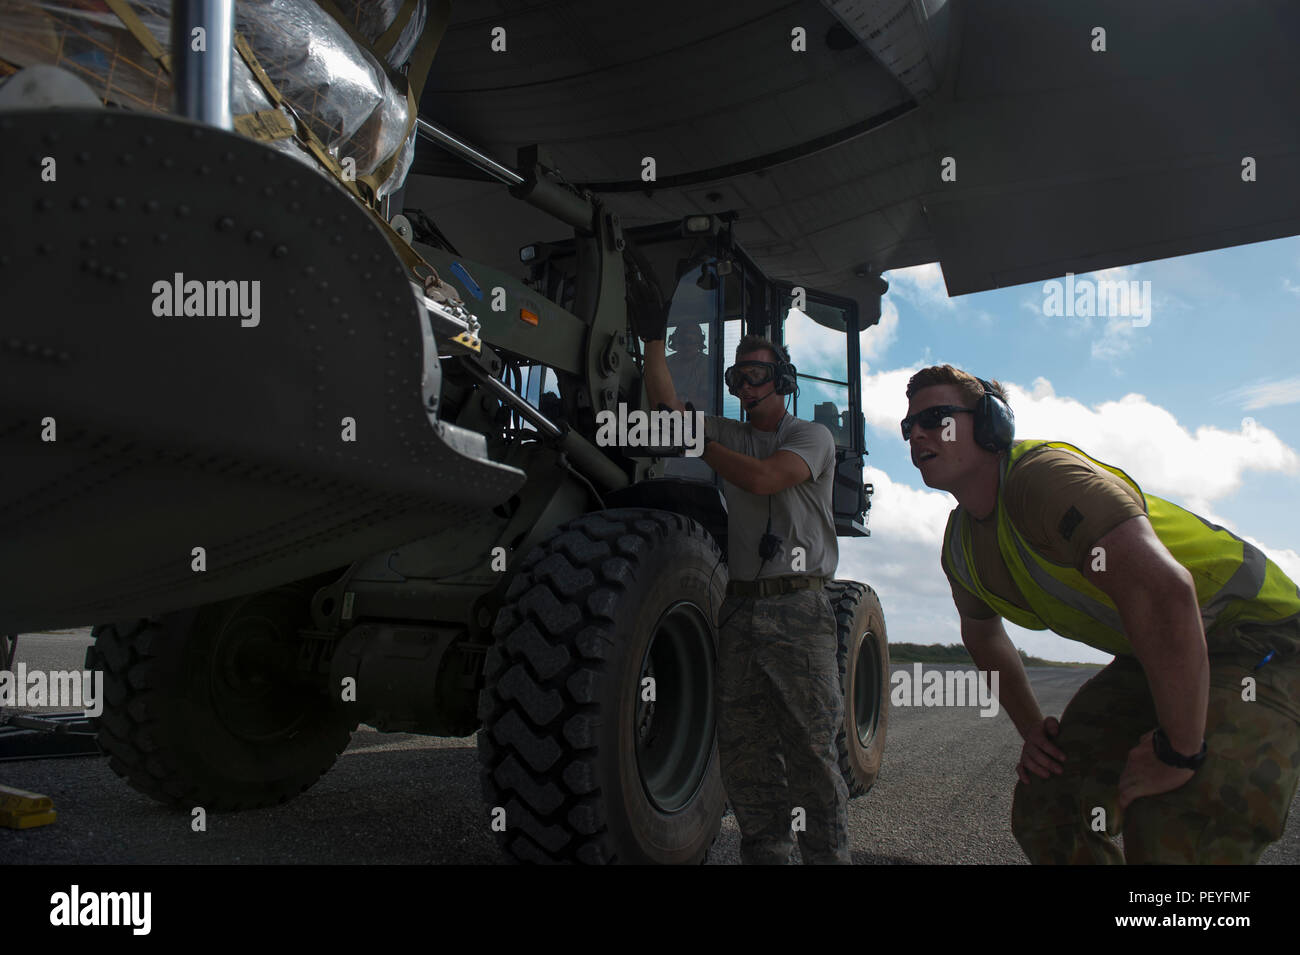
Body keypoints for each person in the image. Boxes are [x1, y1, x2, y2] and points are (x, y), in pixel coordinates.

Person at [904, 364, 1300, 863]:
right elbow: (983, 636)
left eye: (935, 418)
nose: (917, 434)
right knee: (1050, 803)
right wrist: (1033, 731)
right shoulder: (961, 545)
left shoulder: (1045, 479)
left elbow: (1165, 591)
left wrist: (1180, 751)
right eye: (909, 426)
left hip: (1256, 636)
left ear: (990, 424)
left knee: (1178, 811)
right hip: (1158, 650)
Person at [642, 328, 850, 864]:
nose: (746, 385)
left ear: (783, 381)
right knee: (746, 755)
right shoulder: (730, 434)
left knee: (811, 754)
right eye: (738, 376)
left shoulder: (812, 436)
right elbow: (667, 409)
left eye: (758, 374)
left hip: (799, 607)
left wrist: (701, 444)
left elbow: (763, 479)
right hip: (739, 607)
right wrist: (652, 341)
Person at [664, 322, 712, 412]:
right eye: (682, 341)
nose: (687, 346)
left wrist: (679, 400)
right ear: (674, 342)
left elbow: (708, 402)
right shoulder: (665, 363)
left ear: (699, 342)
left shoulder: (708, 364)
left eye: (691, 341)